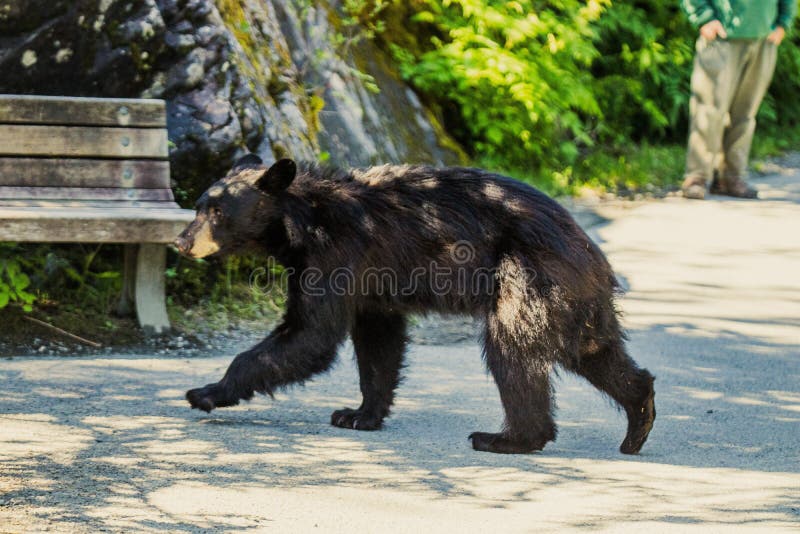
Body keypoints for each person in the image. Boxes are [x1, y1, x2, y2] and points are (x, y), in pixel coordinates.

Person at [681, 0, 797, 200]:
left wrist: (783, 22)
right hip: (722, 38)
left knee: (746, 113)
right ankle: (697, 176)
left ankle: (731, 177)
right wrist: (705, 18)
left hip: (763, 39)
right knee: (709, 109)